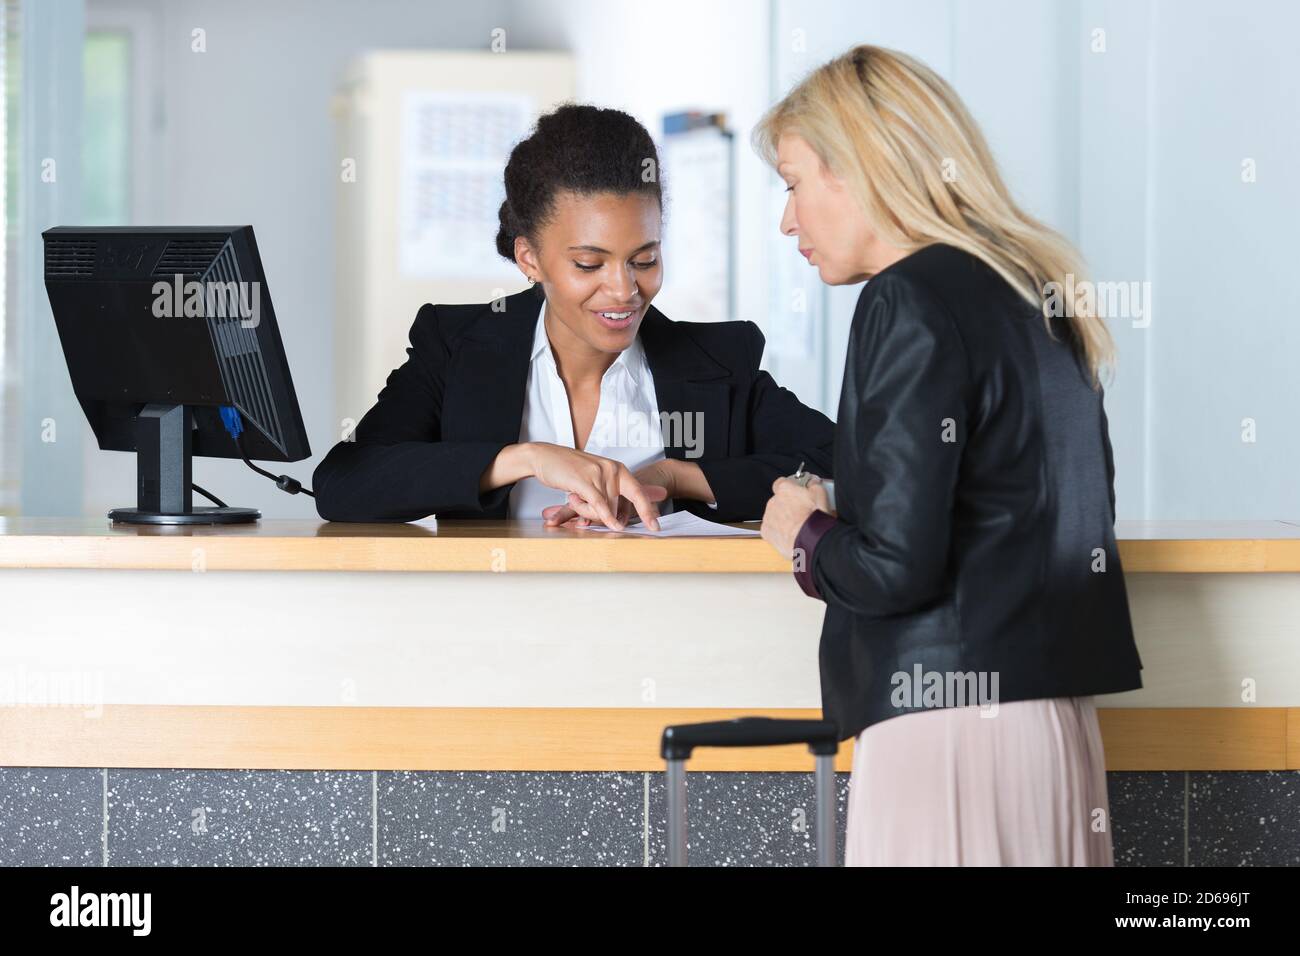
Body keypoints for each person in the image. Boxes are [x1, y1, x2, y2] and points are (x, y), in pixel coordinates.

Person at [755, 45, 1143, 865]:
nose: (787, 220)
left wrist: (805, 530)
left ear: (857, 167)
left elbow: (898, 567)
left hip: (946, 732)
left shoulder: (906, 297)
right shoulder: (1035, 286)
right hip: (1057, 731)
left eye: (792, 183)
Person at [313, 104, 833, 527]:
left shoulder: (717, 360)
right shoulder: (454, 347)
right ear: (529, 259)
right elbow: (343, 483)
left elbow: (851, 465)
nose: (625, 290)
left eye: (645, 259)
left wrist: (674, 476)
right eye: (589, 263)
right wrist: (525, 458)